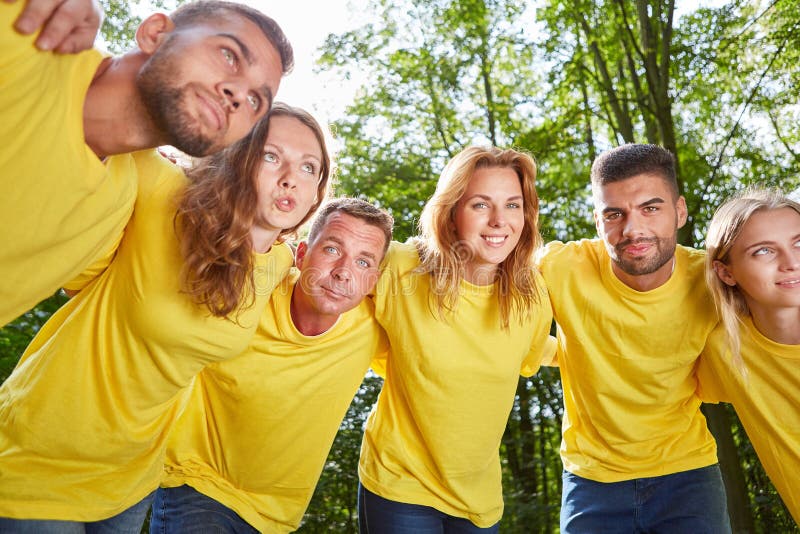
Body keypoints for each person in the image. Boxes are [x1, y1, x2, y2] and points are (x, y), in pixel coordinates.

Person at [0, 103, 331, 532]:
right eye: (271, 156)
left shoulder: (280, 264)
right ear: (236, 158)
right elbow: (94, 129)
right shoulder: (165, 191)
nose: (290, 177)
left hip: (130, 477)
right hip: (43, 453)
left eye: (309, 167)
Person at [0, 0, 293, 326]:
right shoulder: (24, 38)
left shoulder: (113, 212)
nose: (238, 94)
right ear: (155, 33)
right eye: (229, 55)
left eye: (256, 101)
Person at [150, 198, 394, 533]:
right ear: (302, 252)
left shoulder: (372, 328)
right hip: (197, 481)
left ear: (373, 280)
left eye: (364, 261)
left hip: (278, 516)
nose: (343, 272)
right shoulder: (252, 288)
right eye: (332, 250)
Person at [358, 146, 553, 532]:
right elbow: (333, 286)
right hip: (401, 485)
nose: (500, 221)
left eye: (513, 205)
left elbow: (536, 354)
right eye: (481, 205)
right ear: (451, 214)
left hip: (477, 499)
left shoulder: (530, 296)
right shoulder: (401, 268)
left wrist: (609, 355)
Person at [537, 143, 730, 533]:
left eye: (650, 208)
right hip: (590, 480)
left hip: (689, 474)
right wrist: (565, 355)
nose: (632, 228)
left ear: (680, 211)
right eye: (614, 214)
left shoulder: (716, 280)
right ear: (597, 222)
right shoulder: (561, 267)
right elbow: (488, 298)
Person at [698, 188, 800, 523]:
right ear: (726, 273)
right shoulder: (725, 351)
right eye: (764, 251)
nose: (791, 262)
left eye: (799, 243)